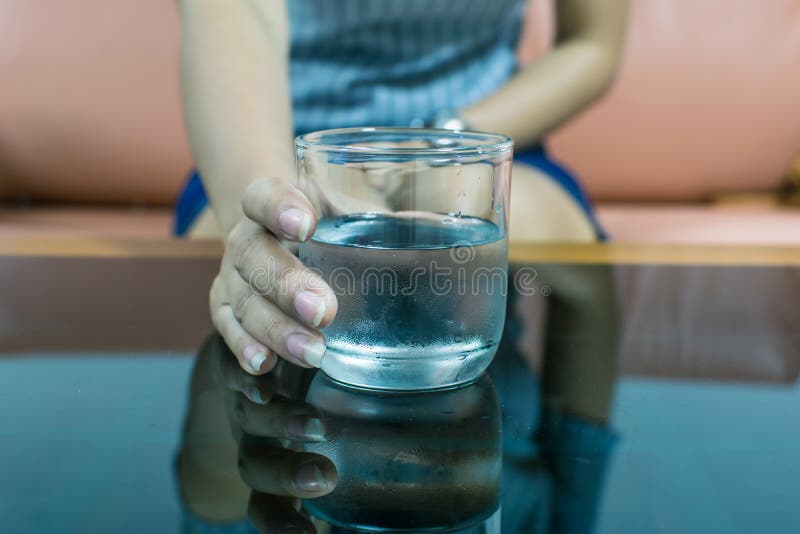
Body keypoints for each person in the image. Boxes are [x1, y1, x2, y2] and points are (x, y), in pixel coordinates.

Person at [177, 0, 629, 375]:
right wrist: (275, 200)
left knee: (487, 209)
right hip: (275, 140)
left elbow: (592, 44)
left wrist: (445, 144)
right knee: (259, 259)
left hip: (474, 136)